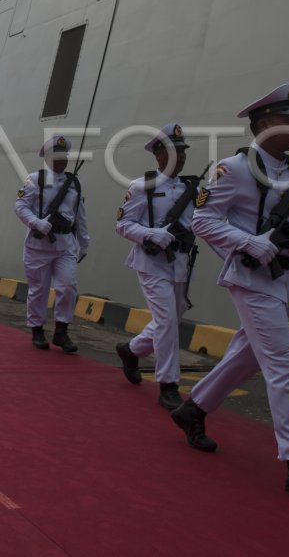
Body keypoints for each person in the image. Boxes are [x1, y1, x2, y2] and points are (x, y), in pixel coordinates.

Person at [173, 83, 289, 504]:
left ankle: (194, 409)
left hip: (288, 278)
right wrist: (248, 241)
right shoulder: (232, 169)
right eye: (286, 119)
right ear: (262, 125)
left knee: (249, 355)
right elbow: (202, 220)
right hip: (252, 277)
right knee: (281, 363)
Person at [113, 123, 197, 410]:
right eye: (174, 151)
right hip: (151, 263)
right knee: (166, 322)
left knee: (172, 317)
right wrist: (150, 234)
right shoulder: (141, 187)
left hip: (180, 262)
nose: (181, 156)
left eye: (183, 151)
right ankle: (168, 384)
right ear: (158, 154)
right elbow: (122, 224)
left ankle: (131, 350)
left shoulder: (190, 189)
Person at [14, 135, 90, 352]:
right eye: (56, 156)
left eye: (64, 156)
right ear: (47, 158)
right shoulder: (35, 179)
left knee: (67, 287)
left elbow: (80, 215)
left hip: (65, 245)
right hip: (38, 246)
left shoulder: (74, 183)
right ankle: (37, 329)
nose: (61, 160)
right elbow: (20, 206)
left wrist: (84, 241)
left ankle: (61, 331)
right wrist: (36, 223)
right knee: (39, 289)